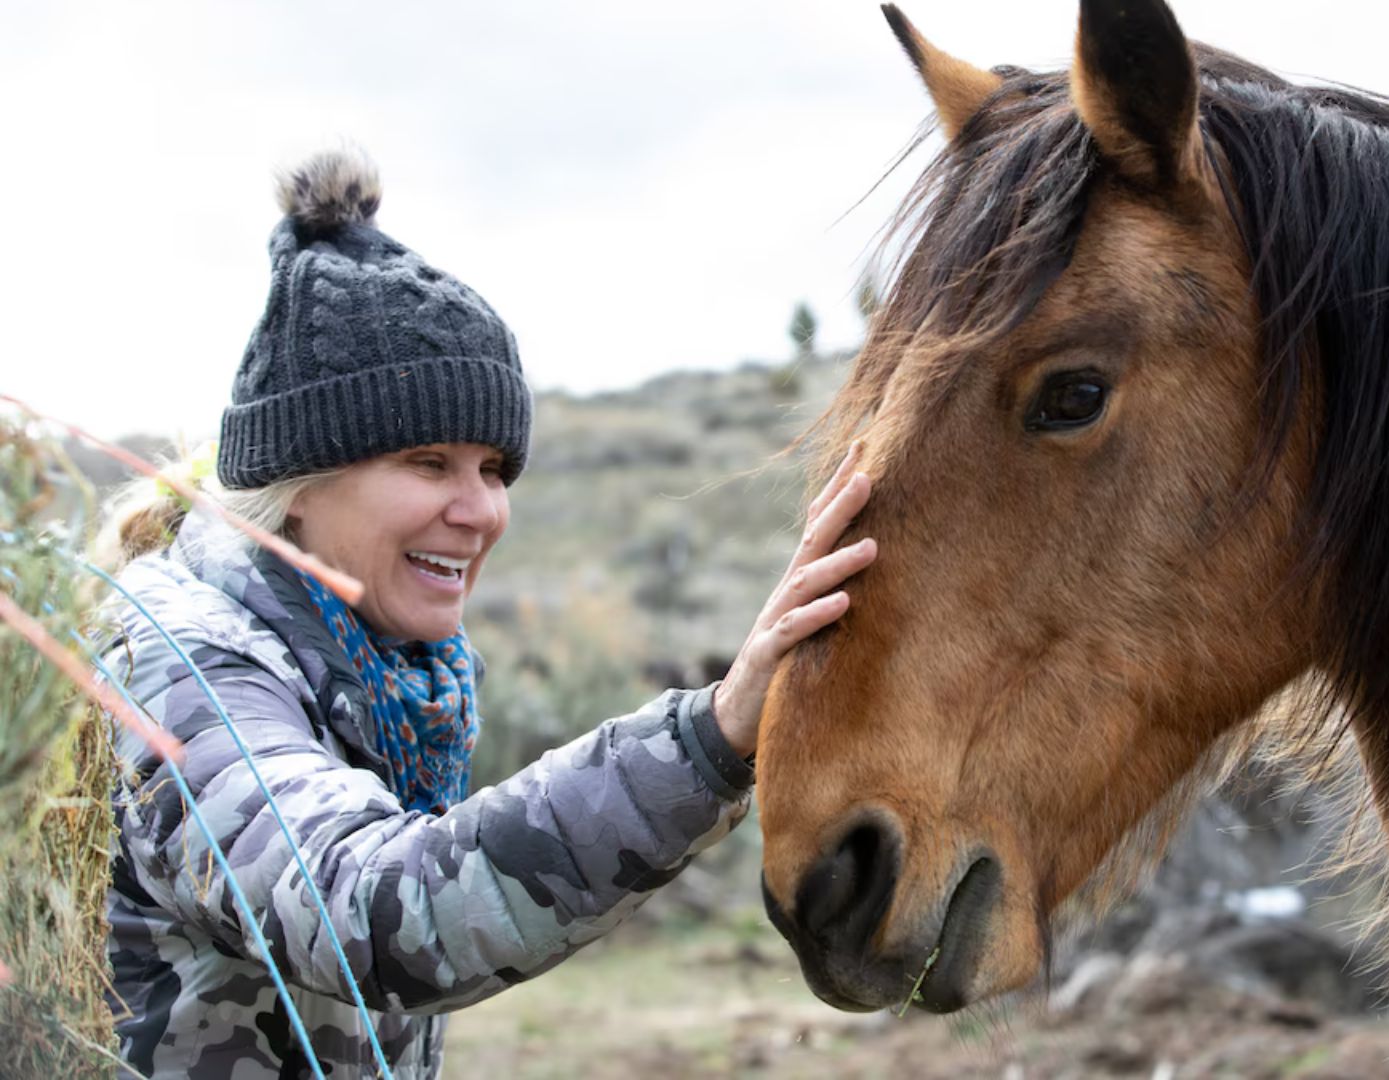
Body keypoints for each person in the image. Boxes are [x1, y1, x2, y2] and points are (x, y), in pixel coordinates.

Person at [93, 148, 876, 1078]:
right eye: (428, 463)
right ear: (295, 485)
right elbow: (366, 911)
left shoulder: (384, 671)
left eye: (495, 469)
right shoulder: (178, 675)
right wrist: (705, 739)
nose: (481, 511)